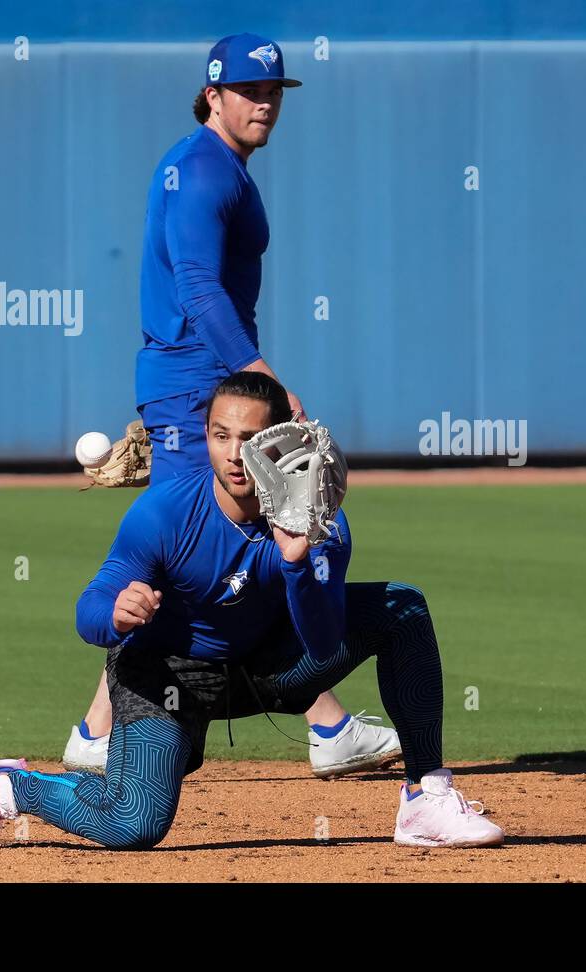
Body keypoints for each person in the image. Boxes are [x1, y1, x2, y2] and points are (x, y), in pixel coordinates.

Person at [0, 373, 505, 850]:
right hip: (166, 676)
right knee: (134, 824)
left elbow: (326, 640)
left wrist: (299, 562)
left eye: (249, 438)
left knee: (401, 607)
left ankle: (424, 797)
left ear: (280, 440)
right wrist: (118, 614)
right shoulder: (164, 513)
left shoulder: (316, 516)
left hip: (268, 666)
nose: (233, 454)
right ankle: (6, 787)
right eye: (219, 435)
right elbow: (88, 609)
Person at [64, 33, 401, 779]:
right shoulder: (201, 169)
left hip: (200, 383)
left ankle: (101, 729)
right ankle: (319, 722)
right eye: (250, 90)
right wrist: (254, 374)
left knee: (244, 543)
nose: (265, 102)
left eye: (274, 90)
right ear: (213, 94)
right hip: (197, 384)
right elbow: (194, 283)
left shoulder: (221, 169)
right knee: (210, 549)